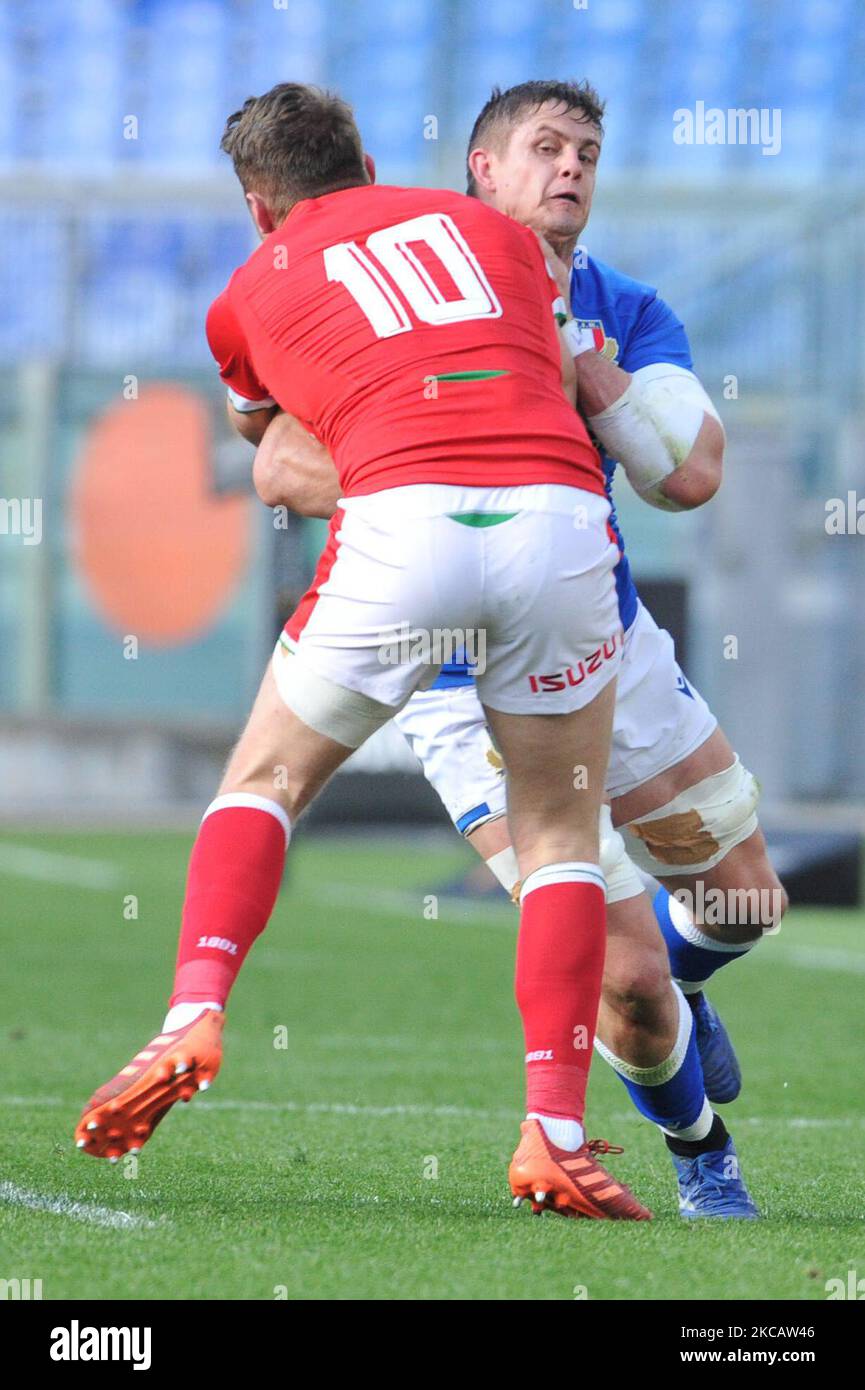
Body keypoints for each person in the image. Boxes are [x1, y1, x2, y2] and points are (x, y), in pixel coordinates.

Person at [75, 82, 651, 1222]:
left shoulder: (244, 294)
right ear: (373, 160)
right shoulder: (491, 229)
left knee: (265, 781)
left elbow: (269, 432)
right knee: (556, 834)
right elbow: (544, 348)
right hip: (556, 507)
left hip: (401, 519)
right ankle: (555, 1132)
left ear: (256, 206)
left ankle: (192, 1008)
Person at [254, 80, 782, 1219]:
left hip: (609, 638)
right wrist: (446, 471)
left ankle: (683, 1004)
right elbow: (280, 466)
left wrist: (586, 365)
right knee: (628, 980)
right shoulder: (402, 287)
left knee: (745, 903)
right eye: (543, 148)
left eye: (588, 149)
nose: (571, 168)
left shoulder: (624, 306)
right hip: (461, 669)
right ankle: (704, 1154)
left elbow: (687, 474)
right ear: (480, 174)